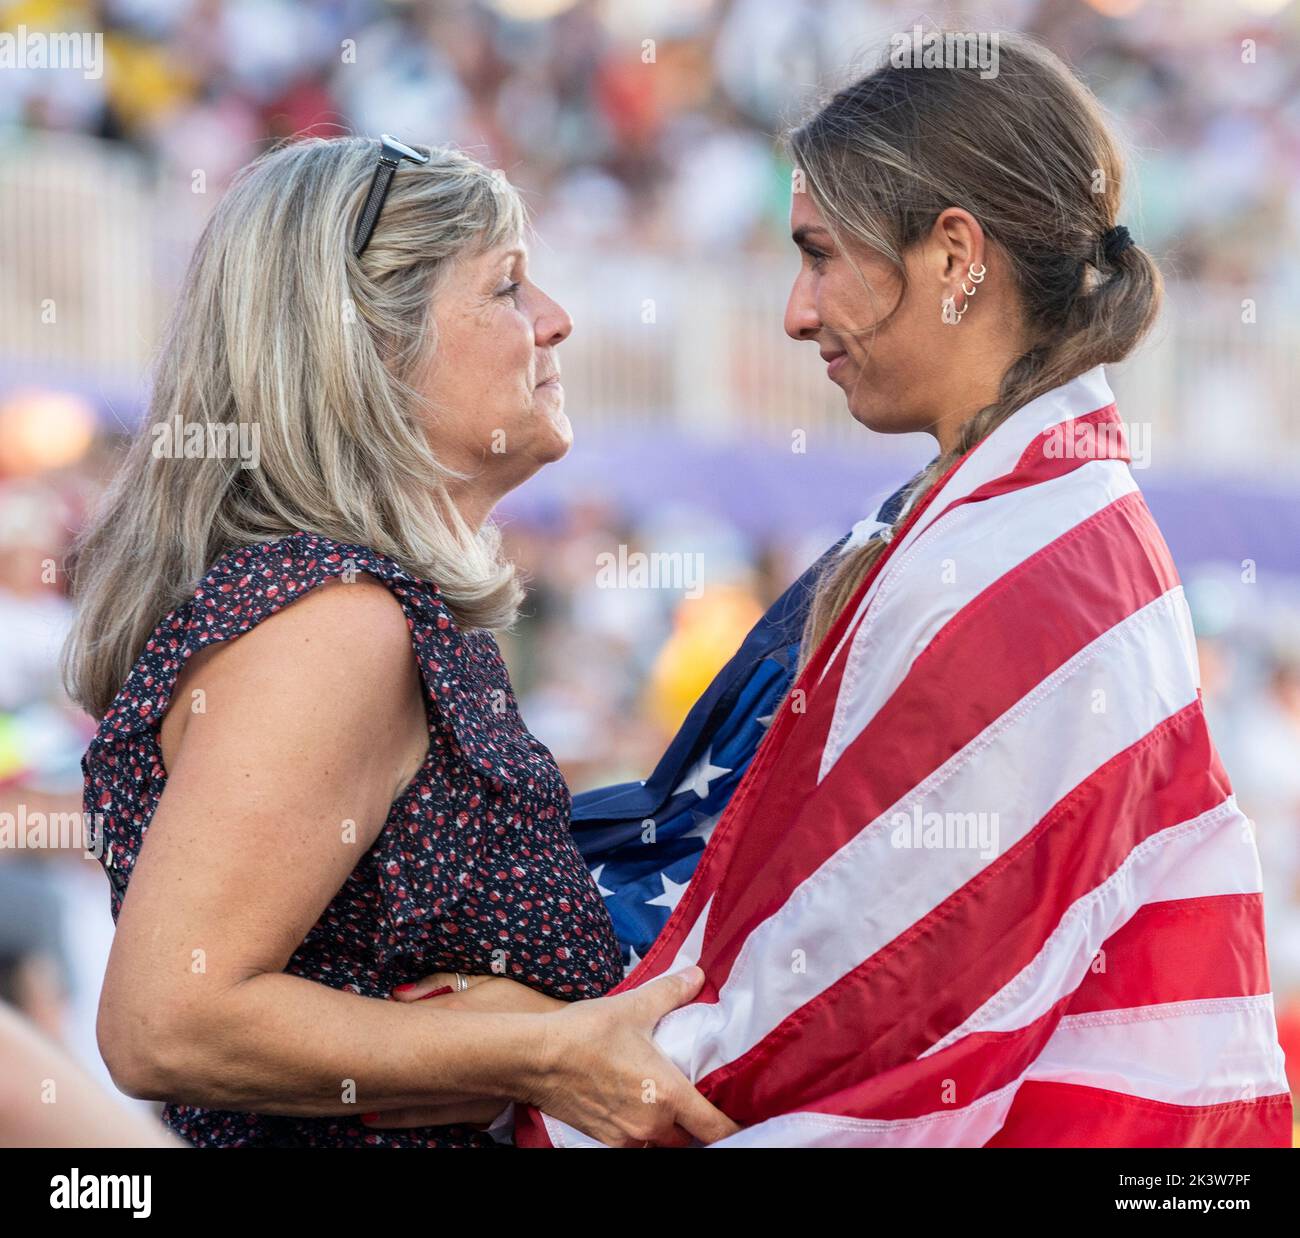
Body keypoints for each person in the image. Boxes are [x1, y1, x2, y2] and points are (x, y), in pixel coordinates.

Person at [523, 33, 1293, 1147]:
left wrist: (525, 1080)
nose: (796, 311)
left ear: (955, 257)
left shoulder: (1011, 564)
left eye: (819, 255)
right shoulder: (1021, 520)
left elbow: (848, 1020)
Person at [63, 135, 737, 1149]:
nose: (555, 318)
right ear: (367, 347)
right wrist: (536, 1053)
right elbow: (167, 1018)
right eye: (507, 285)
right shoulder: (331, 621)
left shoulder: (361, 607)